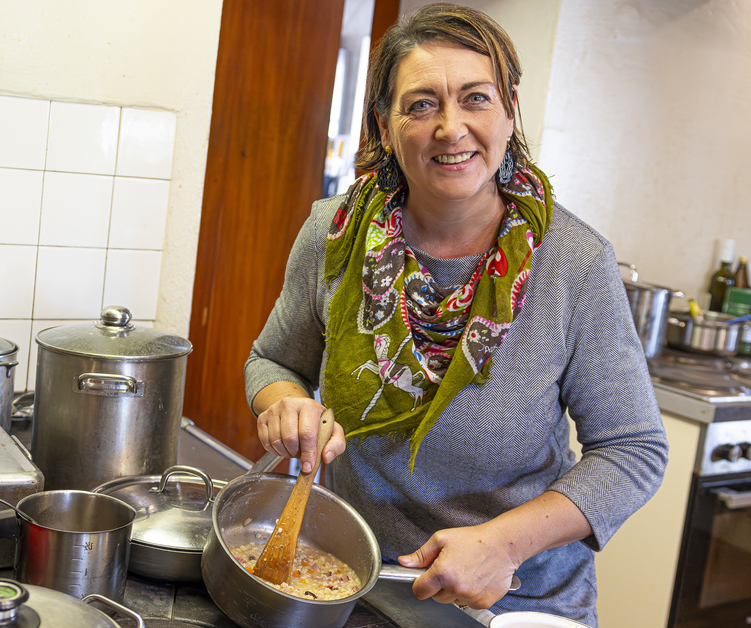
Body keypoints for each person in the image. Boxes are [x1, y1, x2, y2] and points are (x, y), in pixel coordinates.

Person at [244, 3, 668, 625]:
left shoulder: (574, 263)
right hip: (360, 581)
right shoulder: (334, 234)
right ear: (384, 125)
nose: (451, 128)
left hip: (518, 601)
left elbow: (633, 450)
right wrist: (285, 404)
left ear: (509, 110)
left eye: (476, 99)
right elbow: (274, 361)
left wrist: (504, 544)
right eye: (421, 105)